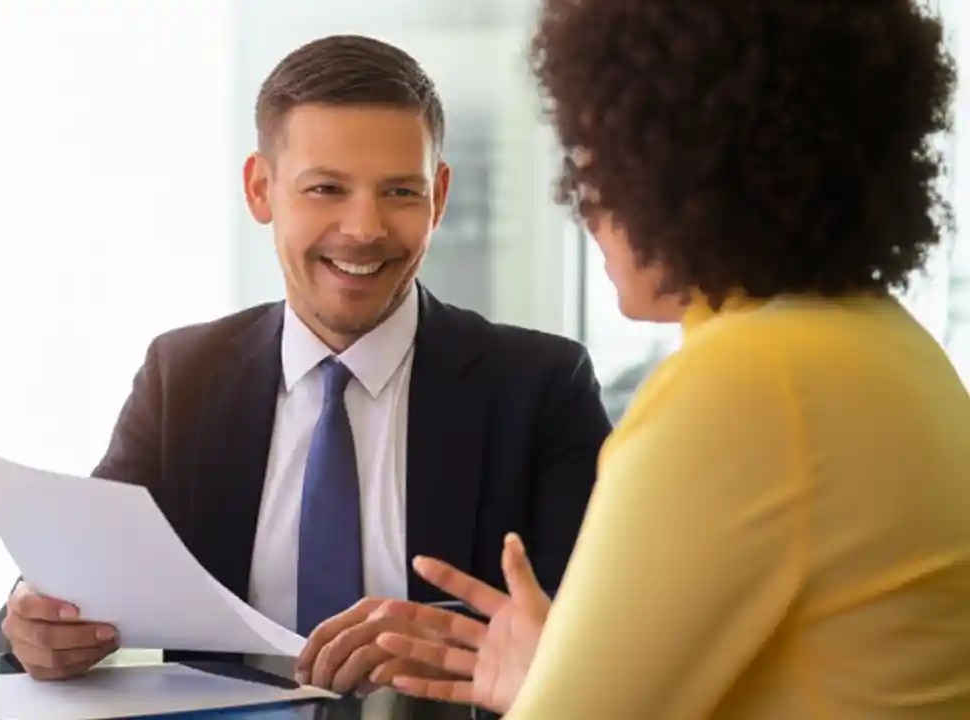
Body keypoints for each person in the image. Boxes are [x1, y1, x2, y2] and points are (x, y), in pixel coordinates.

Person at [369, 0, 970, 717]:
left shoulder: (749, 382)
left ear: (685, 175)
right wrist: (565, 671)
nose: (585, 207)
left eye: (597, 165)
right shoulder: (886, 348)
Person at [0, 33, 612, 715]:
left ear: (437, 197)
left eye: (399, 192)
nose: (363, 228)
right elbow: (77, 577)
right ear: (262, 190)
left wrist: (441, 638)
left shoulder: (542, 386)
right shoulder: (184, 376)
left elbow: (601, 630)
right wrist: (32, 619)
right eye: (326, 189)